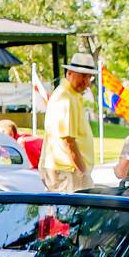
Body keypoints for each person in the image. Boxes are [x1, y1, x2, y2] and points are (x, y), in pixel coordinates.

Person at [39, 52, 97, 192]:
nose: (87, 82)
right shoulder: (65, 97)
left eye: (89, 76)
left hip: (67, 168)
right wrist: (82, 170)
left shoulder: (71, 95)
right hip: (66, 170)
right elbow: (68, 140)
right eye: (83, 76)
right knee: (71, 212)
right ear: (69, 73)